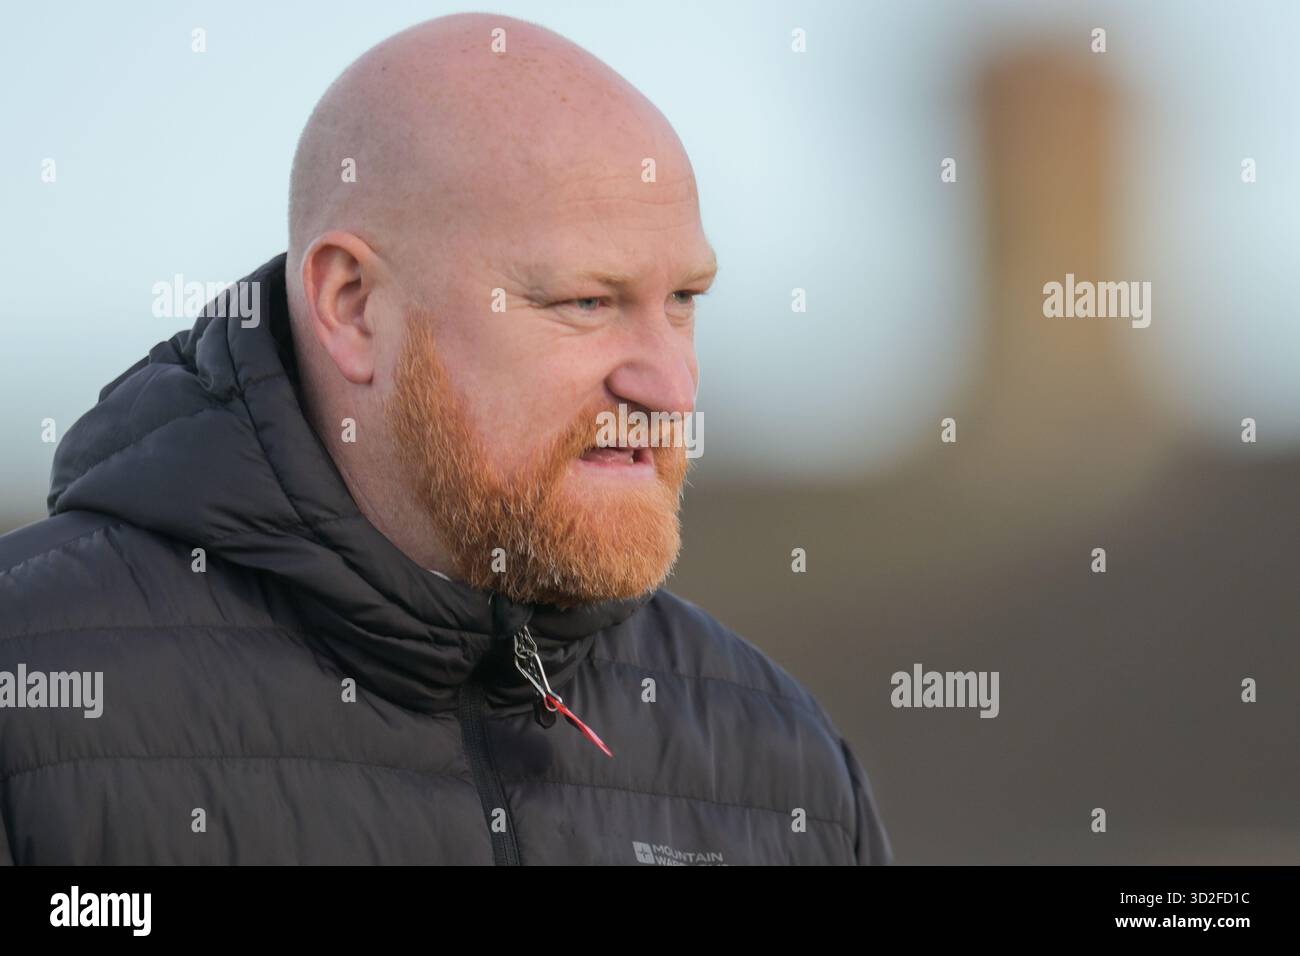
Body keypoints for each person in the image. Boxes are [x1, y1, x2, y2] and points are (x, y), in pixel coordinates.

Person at [0, 12, 891, 865]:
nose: (671, 387)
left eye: (684, 302)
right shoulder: (31, 696)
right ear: (353, 307)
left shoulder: (783, 768)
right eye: (585, 302)